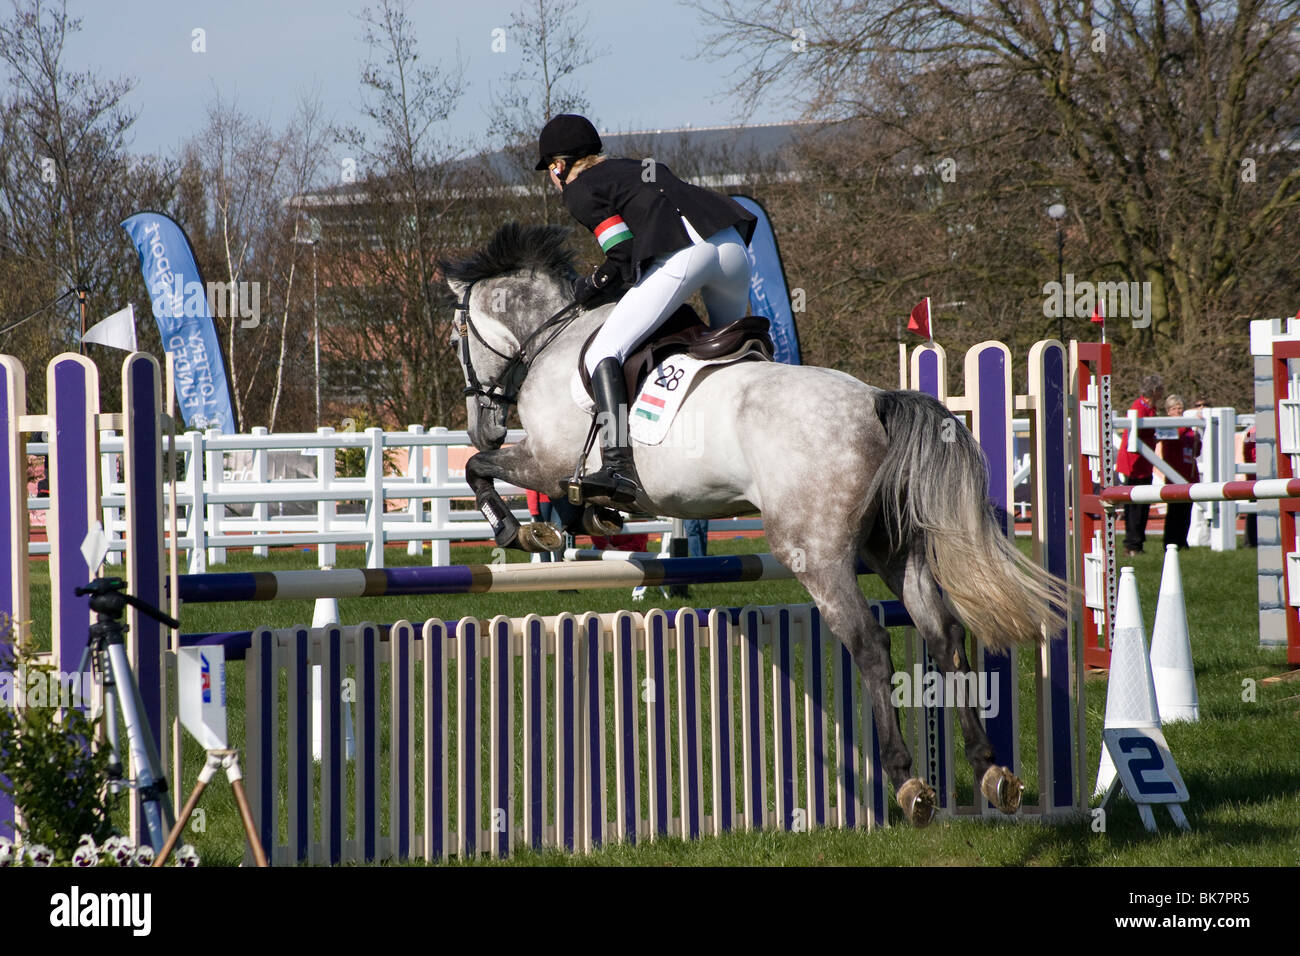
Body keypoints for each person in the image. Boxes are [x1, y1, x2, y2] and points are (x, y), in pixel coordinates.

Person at [536, 114, 758, 505]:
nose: (552, 178)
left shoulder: (579, 190)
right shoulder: (638, 166)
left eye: (550, 169)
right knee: (731, 354)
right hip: (731, 248)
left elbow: (620, 254)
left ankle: (618, 466)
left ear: (560, 164)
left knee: (605, 351)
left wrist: (591, 285)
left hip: (686, 257)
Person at [1116, 374, 1163, 555]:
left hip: (1145, 462)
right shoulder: (1138, 407)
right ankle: (1132, 544)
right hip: (1134, 463)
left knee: (1143, 504)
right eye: (1160, 389)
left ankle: (1138, 543)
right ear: (1153, 390)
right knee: (1134, 505)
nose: (1162, 392)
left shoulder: (1151, 408)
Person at [1158, 394, 1201, 549]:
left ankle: (1182, 541)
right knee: (1174, 511)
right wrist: (1188, 424)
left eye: (1180, 408)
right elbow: (1172, 438)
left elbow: (1196, 451)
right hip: (1174, 474)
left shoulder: (1189, 428)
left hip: (1189, 474)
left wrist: (1197, 438)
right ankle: (1170, 542)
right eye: (1174, 409)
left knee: (1186, 511)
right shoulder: (1168, 426)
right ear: (1168, 411)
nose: (1178, 411)